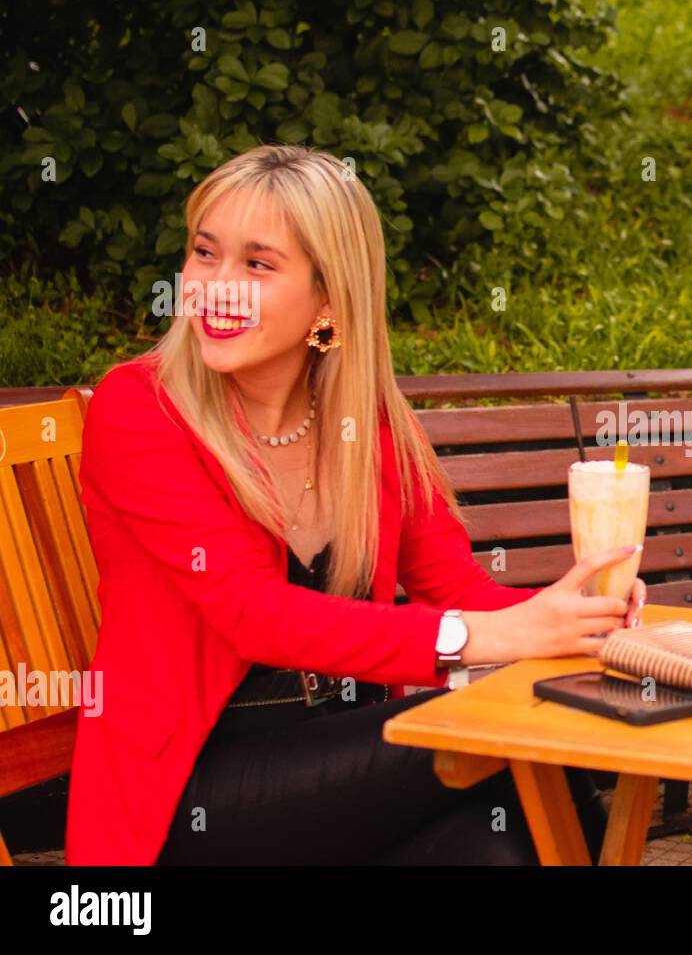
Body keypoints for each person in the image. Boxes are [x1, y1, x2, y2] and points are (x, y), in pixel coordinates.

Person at [65, 144, 647, 865]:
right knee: (511, 736)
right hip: (196, 788)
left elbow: (459, 588)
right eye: (205, 254)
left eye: (257, 265)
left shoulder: (361, 420)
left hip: (350, 769)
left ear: (329, 298)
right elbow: (253, 615)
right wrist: (482, 640)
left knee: (500, 844)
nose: (216, 287)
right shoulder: (142, 408)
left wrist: (577, 606)